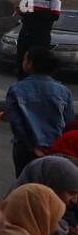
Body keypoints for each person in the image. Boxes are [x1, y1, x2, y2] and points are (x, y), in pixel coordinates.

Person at [5, 47, 74, 175]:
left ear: (30, 64)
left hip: (25, 149)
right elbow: (68, 123)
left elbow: (17, 124)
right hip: (55, 148)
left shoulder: (16, 89)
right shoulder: (64, 91)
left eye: (25, 59)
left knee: (25, 183)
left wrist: (32, 147)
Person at [16, 0, 62, 79]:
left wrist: (35, 11)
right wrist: (22, 12)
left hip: (40, 36)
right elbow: (28, 14)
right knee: (21, 62)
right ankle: (21, 85)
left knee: (37, 64)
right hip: (26, 34)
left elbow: (55, 15)